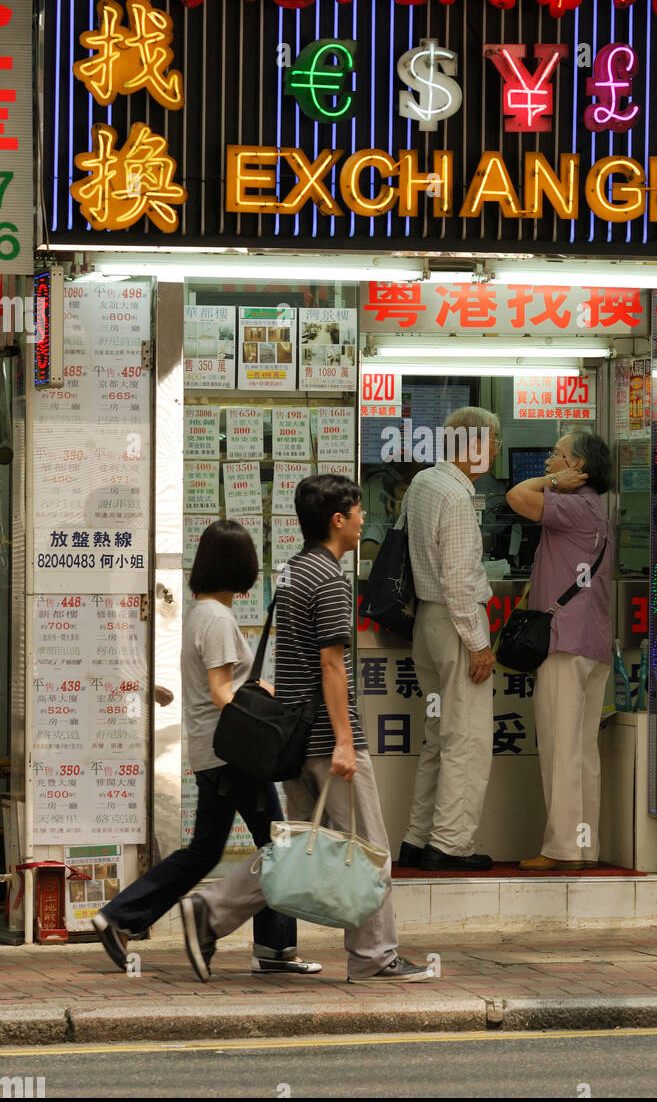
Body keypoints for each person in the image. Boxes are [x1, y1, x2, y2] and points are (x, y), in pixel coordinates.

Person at [178, 475, 434, 984]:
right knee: (370, 848)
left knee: (296, 851)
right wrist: (344, 739)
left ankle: (211, 909)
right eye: (358, 512)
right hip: (328, 738)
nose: (364, 520)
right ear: (337, 520)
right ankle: (375, 956)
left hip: (292, 740)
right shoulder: (331, 578)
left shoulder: (293, 572)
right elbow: (331, 665)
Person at [92, 519, 321, 978]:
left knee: (207, 850)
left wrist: (266, 691)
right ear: (240, 566)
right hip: (234, 754)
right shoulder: (217, 618)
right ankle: (264, 944)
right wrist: (265, 711)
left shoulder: (201, 612)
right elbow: (221, 692)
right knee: (278, 845)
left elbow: (232, 684)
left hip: (212, 752)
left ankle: (119, 918)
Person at [506, 429, 615, 871]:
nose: (549, 461)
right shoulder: (597, 511)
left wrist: (552, 484)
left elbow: (516, 496)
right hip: (592, 643)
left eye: (558, 456)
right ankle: (585, 845)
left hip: (563, 643)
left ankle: (562, 849)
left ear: (578, 468)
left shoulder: (571, 506)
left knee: (559, 747)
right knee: (583, 749)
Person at [398, 406, 499, 872]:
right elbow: (459, 579)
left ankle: (418, 840)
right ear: (474, 445)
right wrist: (479, 643)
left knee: (439, 737)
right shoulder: (457, 498)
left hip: (426, 625)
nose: (496, 452)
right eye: (493, 442)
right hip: (457, 626)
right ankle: (450, 845)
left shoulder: (423, 483)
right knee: (468, 739)